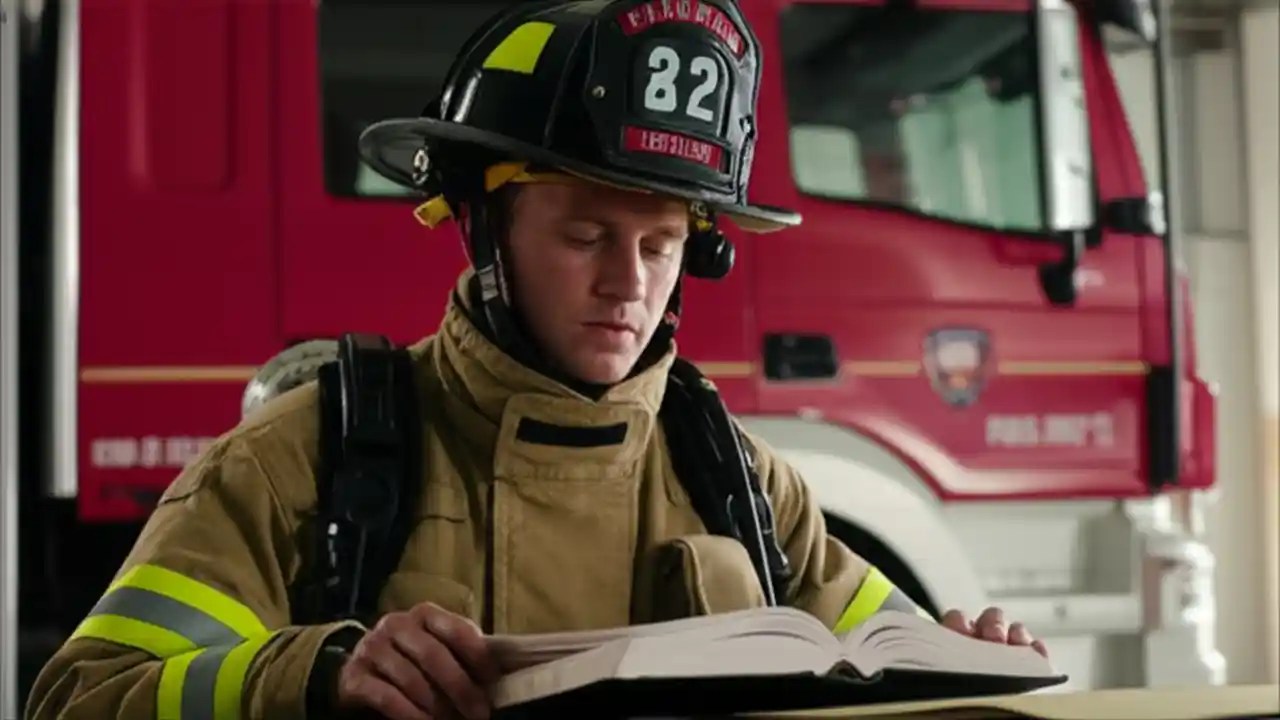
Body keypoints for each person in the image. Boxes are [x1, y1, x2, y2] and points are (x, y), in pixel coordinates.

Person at [25, 1, 1047, 719]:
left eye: (660, 246)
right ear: (484, 229)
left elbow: (884, 668)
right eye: (583, 237)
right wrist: (315, 673)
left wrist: (962, 666)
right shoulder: (306, 458)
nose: (627, 284)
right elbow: (82, 695)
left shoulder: (739, 478)